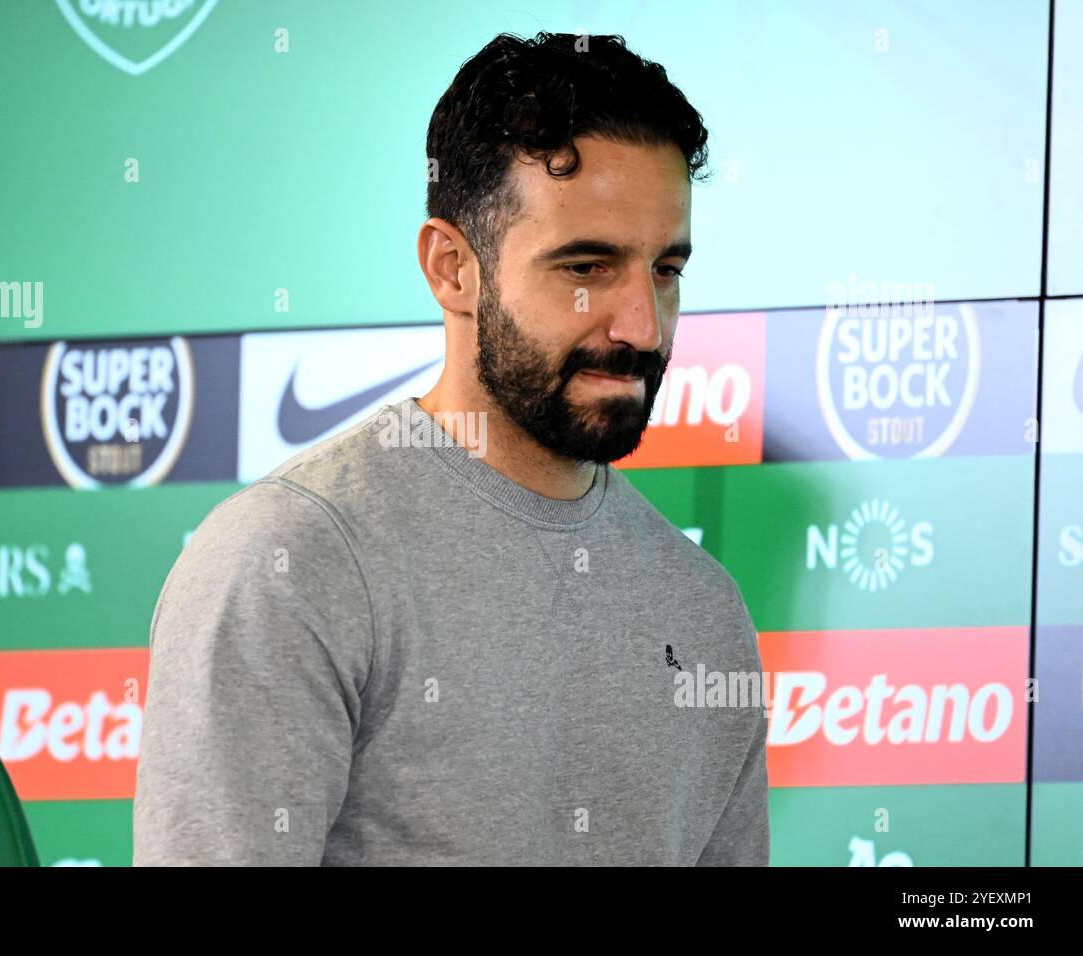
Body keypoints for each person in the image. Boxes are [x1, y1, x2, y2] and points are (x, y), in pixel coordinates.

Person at [134, 31, 769, 865]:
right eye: (587, 267)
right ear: (451, 268)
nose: (642, 327)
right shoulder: (291, 564)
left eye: (666, 269)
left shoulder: (705, 613)